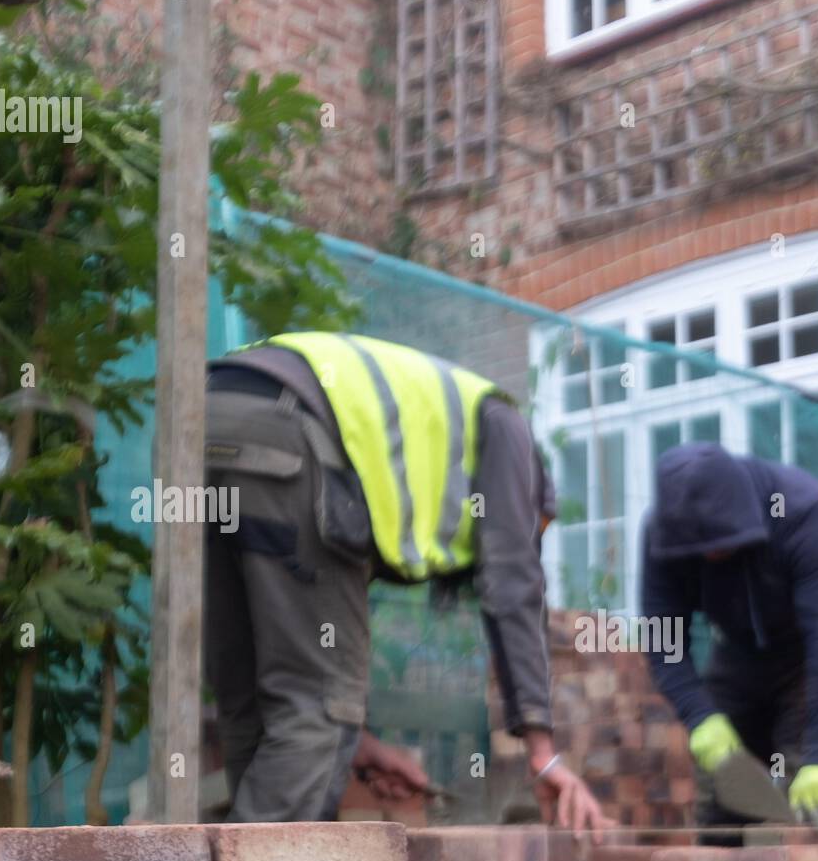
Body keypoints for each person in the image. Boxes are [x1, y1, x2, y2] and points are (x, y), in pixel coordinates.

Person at [201, 330, 608, 832]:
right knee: (316, 710)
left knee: (251, 704)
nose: (531, 539)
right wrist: (543, 754)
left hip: (205, 419)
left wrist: (358, 742)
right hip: (292, 431)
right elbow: (514, 584)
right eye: (537, 528)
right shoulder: (508, 431)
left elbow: (300, 641)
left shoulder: (413, 451)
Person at [640, 441, 818, 826]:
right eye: (700, 552)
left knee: (799, 809)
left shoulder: (803, 514)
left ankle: (807, 857)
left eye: (723, 547)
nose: (711, 559)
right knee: (723, 797)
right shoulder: (663, 536)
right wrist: (699, 714)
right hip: (742, 644)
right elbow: (663, 640)